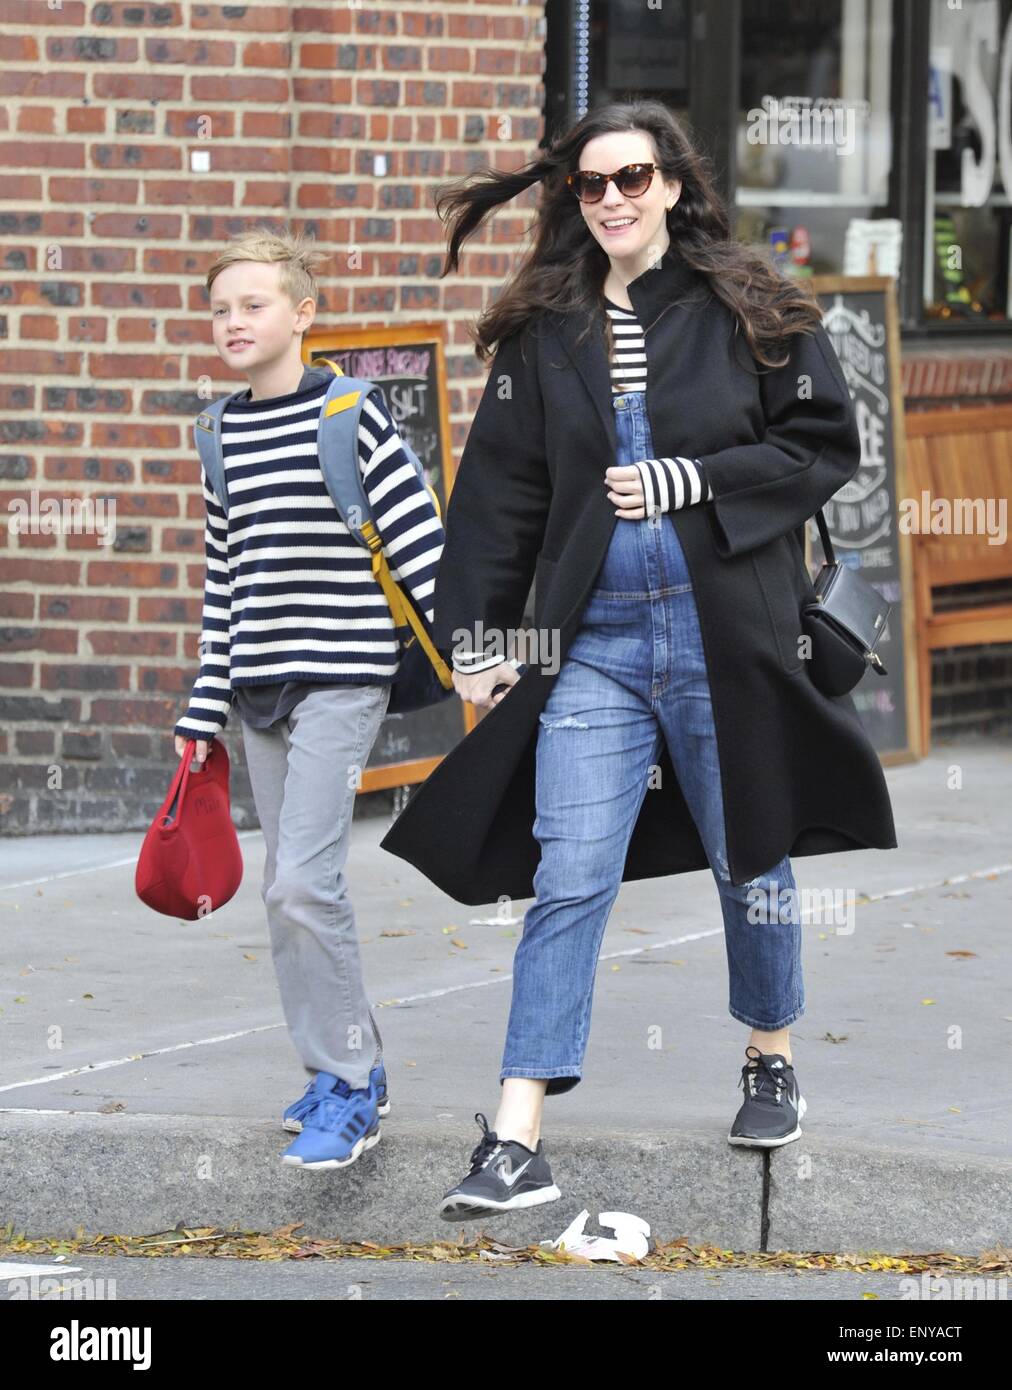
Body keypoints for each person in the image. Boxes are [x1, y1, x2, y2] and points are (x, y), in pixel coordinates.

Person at [380, 101, 897, 1220]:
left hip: (726, 636)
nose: (612, 199)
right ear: (574, 200)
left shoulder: (744, 305)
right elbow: (499, 497)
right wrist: (476, 639)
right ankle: (516, 1135)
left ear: (671, 185)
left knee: (749, 853)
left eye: (633, 178)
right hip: (597, 649)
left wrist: (690, 479)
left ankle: (769, 1052)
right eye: (590, 184)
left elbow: (818, 442)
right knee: (568, 873)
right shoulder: (545, 334)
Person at [173, 228, 444, 1170]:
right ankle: (340, 1069)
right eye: (220, 308)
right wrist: (200, 710)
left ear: (304, 314)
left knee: (302, 881)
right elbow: (226, 582)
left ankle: (350, 1087)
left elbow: (421, 546)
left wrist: (481, 656)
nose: (233, 322)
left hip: (343, 675)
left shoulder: (351, 415)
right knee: (288, 897)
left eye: (253, 304)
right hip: (258, 688)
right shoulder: (217, 431)